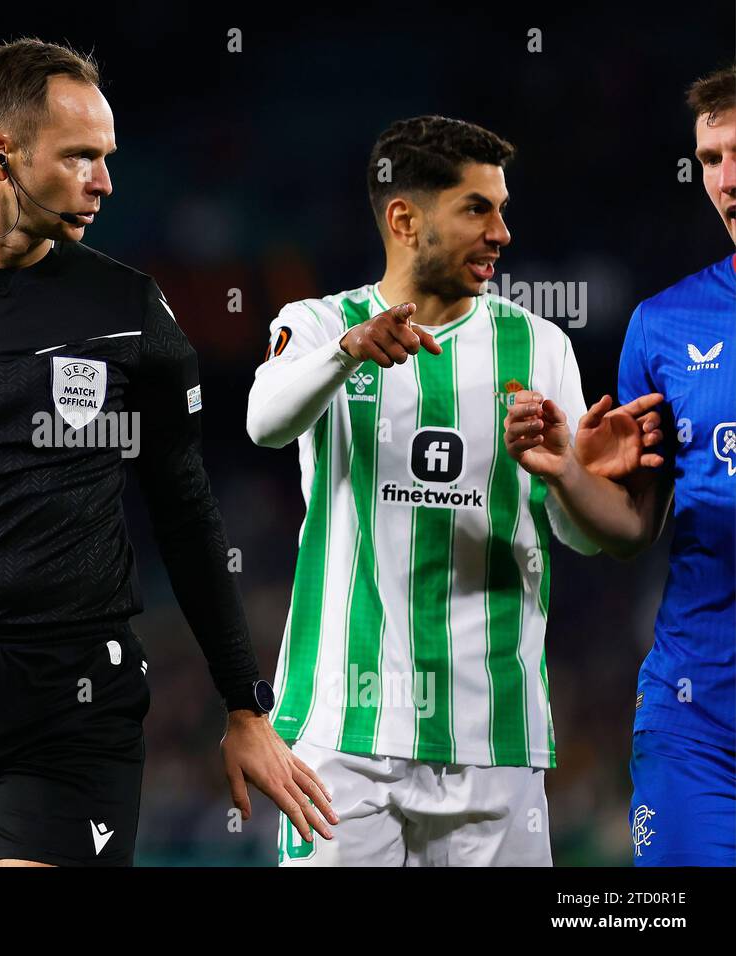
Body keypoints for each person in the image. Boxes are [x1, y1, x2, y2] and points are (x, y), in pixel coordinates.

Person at [0, 37, 335, 867]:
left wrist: (245, 705)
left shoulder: (129, 309)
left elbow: (185, 514)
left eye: (107, 158)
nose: (105, 180)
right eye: (80, 157)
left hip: (76, 693)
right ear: (1, 157)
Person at [248, 115, 655, 866]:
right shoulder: (315, 323)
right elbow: (263, 422)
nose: (502, 231)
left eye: (503, 208)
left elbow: (580, 536)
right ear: (404, 218)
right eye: (477, 208)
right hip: (344, 736)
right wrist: (347, 354)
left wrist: (569, 469)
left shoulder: (539, 346)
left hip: (494, 738)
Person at [504, 64, 735, 867]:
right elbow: (634, 529)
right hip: (699, 712)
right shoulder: (665, 325)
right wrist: (568, 471)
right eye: (709, 158)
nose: (726, 180)